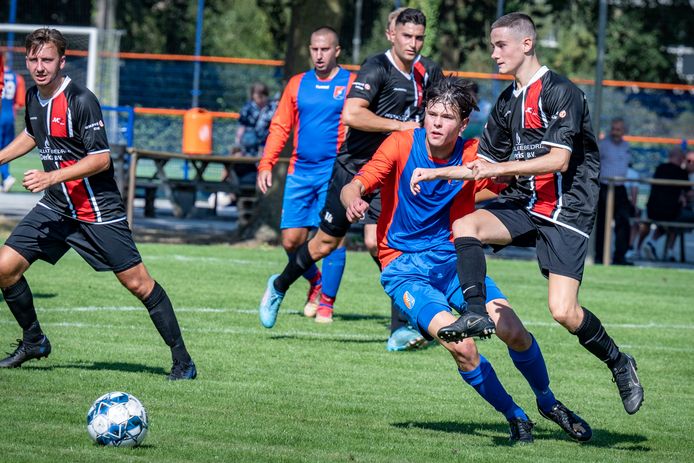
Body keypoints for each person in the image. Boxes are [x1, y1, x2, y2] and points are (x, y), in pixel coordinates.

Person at [410, 13, 643, 415]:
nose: (493, 53)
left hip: (566, 209)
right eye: (492, 45)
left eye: (500, 45)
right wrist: (436, 171)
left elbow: (557, 160)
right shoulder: (506, 103)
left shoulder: (561, 92)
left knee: (564, 312)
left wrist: (495, 170)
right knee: (466, 225)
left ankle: (620, 363)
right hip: (525, 202)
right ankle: (476, 313)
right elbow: (479, 164)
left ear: (526, 44)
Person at [341, 76, 591, 443]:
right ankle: (515, 415)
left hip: (453, 262)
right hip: (403, 268)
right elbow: (358, 183)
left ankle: (548, 402)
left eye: (446, 117)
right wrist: (353, 198)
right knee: (462, 346)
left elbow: (512, 179)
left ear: (462, 124)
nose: (436, 123)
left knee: (514, 332)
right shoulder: (400, 144)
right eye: (432, 114)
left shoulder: (475, 155)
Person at [0, 28, 196, 380]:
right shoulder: (33, 97)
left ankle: (183, 361)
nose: (40, 67)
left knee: (138, 283)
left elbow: (101, 159)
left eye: (47, 59)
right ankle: (34, 341)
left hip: (97, 212)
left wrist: (50, 177)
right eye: (33, 59)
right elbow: (32, 134)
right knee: (4, 268)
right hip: (57, 208)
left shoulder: (80, 99)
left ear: (62, 61)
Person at [259, 8, 443, 352]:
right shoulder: (376, 67)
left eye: (419, 37)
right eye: (407, 36)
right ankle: (280, 285)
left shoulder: (429, 71)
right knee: (322, 245)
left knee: (384, 246)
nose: (413, 44)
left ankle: (400, 327)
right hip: (352, 170)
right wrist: (401, 126)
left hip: (392, 173)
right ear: (392, 35)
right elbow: (352, 113)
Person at [256, 27, 354, 323]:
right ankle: (316, 282)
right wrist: (266, 163)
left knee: (334, 238)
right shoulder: (297, 84)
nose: (319, 55)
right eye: (314, 49)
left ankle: (327, 303)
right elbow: (280, 127)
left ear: (337, 51)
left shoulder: (351, 83)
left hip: (334, 172)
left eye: (325, 49)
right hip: (300, 172)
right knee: (290, 240)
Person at [639, 147, 689, 261]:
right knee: (678, 220)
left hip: (652, 210)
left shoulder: (660, 168)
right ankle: (668, 251)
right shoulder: (682, 172)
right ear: (680, 158)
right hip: (670, 213)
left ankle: (640, 247)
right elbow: (689, 192)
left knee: (666, 221)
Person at [594, 118, 632, 265]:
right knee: (602, 224)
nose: (615, 132)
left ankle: (620, 257)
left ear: (624, 131)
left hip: (620, 188)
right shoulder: (603, 145)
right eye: (614, 129)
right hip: (605, 187)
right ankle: (600, 256)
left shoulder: (626, 146)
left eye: (619, 129)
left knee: (624, 223)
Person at [2, 54, 25, 192]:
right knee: (6, 148)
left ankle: (6, 177)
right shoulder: (18, 78)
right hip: (9, 117)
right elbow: (19, 103)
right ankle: (5, 179)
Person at [235, 82, 276, 157]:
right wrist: (237, 142)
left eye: (263, 95)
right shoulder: (248, 107)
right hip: (250, 142)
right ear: (253, 95)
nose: (261, 98)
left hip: (267, 141)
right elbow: (242, 125)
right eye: (258, 95)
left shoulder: (272, 107)